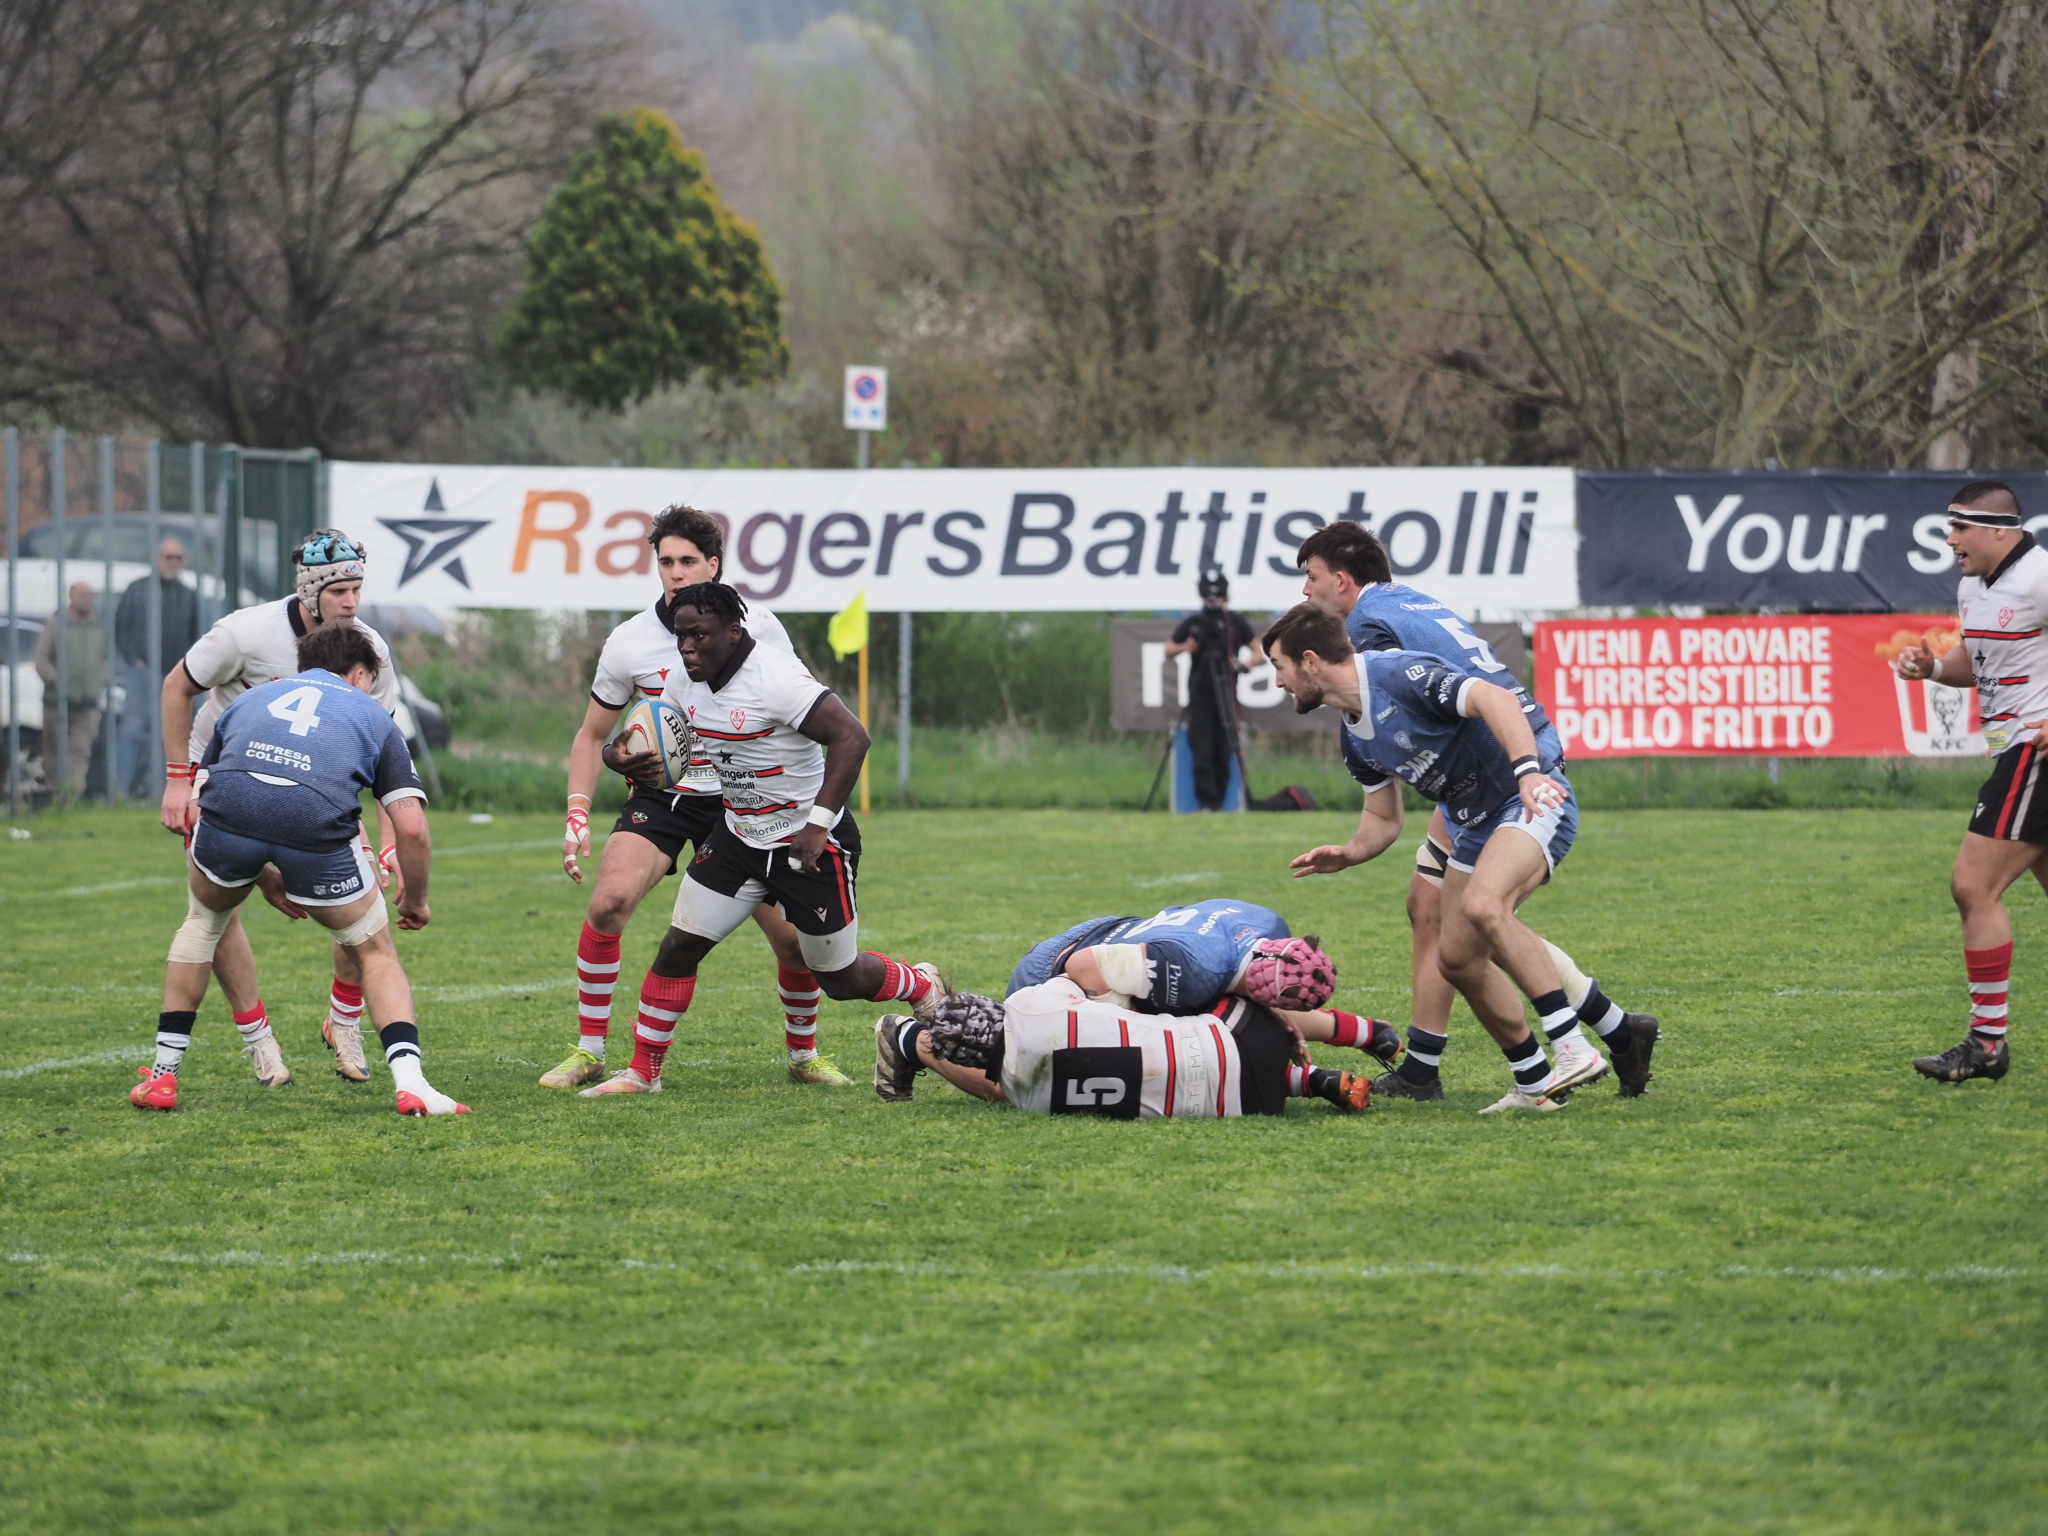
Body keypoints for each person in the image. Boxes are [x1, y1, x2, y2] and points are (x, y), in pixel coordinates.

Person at [1263, 603, 1658, 1112]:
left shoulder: (1396, 673)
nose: (1279, 682)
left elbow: (1494, 697)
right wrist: (1350, 852)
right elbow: (1383, 818)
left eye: (1280, 666)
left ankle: (1572, 1046)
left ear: (1311, 661)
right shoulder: (1353, 736)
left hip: (1527, 799)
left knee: (1483, 905)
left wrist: (1528, 771)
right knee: (1456, 957)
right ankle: (1535, 1082)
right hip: (1472, 827)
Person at [581, 582, 945, 1097]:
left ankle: (919, 983)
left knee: (838, 979)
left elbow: (852, 737)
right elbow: (651, 736)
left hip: (809, 844)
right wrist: (617, 756)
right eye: (682, 636)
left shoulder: (776, 678)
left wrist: (818, 826)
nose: (686, 647)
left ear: (734, 633)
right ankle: (643, 1073)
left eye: (699, 636)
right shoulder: (687, 682)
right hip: (737, 837)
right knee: (678, 947)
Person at [541, 506, 843, 1089]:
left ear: (714, 565)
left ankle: (804, 1055)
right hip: (663, 797)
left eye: (687, 562)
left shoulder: (758, 626)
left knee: (792, 940)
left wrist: (806, 805)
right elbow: (593, 736)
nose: (675, 573)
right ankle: (589, 1050)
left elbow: (803, 711)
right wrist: (582, 806)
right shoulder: (629, 641)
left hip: (744, 799)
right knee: (610, 903)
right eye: (665, 563)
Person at [128, 625, 465, 1115]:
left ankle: (162, 1078)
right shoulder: (373, 714)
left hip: (228, 822)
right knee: (376, 951)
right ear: (358, 675)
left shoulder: (251, 699)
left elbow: (212, 797)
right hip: (315, 828)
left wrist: (259, 872)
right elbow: (411, 829)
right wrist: (416, 899)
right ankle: (411, 1083)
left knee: (202, 925)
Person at [158, 529, 404, 1087]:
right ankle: (260, 1040)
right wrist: (178, 782)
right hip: (224, 773)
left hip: (316, 787)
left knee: (367, 887)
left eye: (357, 588)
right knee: (218, 909)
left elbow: (386, 752)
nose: (352, 601)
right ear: (311, 592)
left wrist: (385, 844)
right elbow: (178, 687)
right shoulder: (245, 631)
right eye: (340, 590)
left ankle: (344, 1021)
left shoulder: (368, 650)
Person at [1893, 479, 2048, 1083]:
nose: (1950, 539)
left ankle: (1987, 1045)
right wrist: (1932, 666)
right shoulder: (1970, 589)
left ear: (1997, 530)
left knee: (1971, 885)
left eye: (1960, 528)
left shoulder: (2038, 575)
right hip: (2015, 751)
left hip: (2032, 754)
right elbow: (1977, 664)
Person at [873, 982, 1375, 1117]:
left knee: (1163, 1060)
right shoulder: (1027, 1004)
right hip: (1246, 1039)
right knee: (1167, 989)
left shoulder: (1020, 1095)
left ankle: (1308, 1083)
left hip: (1250, 1104)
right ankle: (1365, 1033)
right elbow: (1097, 984)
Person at [1005, 897, 1379, 1047]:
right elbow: (1083, 966)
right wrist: (1132, 1022)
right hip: (1052, 970)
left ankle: (1367, 1033)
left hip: (1117, 931)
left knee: (1209, 1013)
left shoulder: (1270, 924)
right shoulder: (1196, 970)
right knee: (1160, 1038)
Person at [1163, 568, 1261, 811]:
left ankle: (1221, 802)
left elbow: (1258, 649)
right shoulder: (1194, 623)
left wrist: (1245, 665)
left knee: (1224, 747)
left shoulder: (1234, 623)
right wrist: (1188, 646)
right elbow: (1168, 650)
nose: (1214, 600)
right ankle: (1206, 801)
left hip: (1227, 694)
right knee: (1202, 748)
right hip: (1200, 695)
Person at [114, 538, 201, 797]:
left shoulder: (188, 595)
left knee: (174, 734)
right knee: (133, 730)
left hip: (175, 676)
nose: (173, 562)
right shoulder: (137, 590)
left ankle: (163, 791)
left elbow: (196, 636)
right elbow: (121, 628)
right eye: (168, 557)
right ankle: (120, 791)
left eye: (178, 558)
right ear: (157, 559)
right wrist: (134, 661)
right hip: (142, 674)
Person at [33, 580, 108, 797]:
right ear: (71, 597)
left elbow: (105, 658)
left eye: (91, 595)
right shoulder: (56, 625)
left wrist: (100, 679)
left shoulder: (98, 627)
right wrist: (56, 680)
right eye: (83, 594)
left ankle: (72, 795)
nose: (88, 599)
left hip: (87, 702)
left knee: (80, 750)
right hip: (56, 701)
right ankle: (55, 792)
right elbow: (41, 659)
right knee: (54, 750)